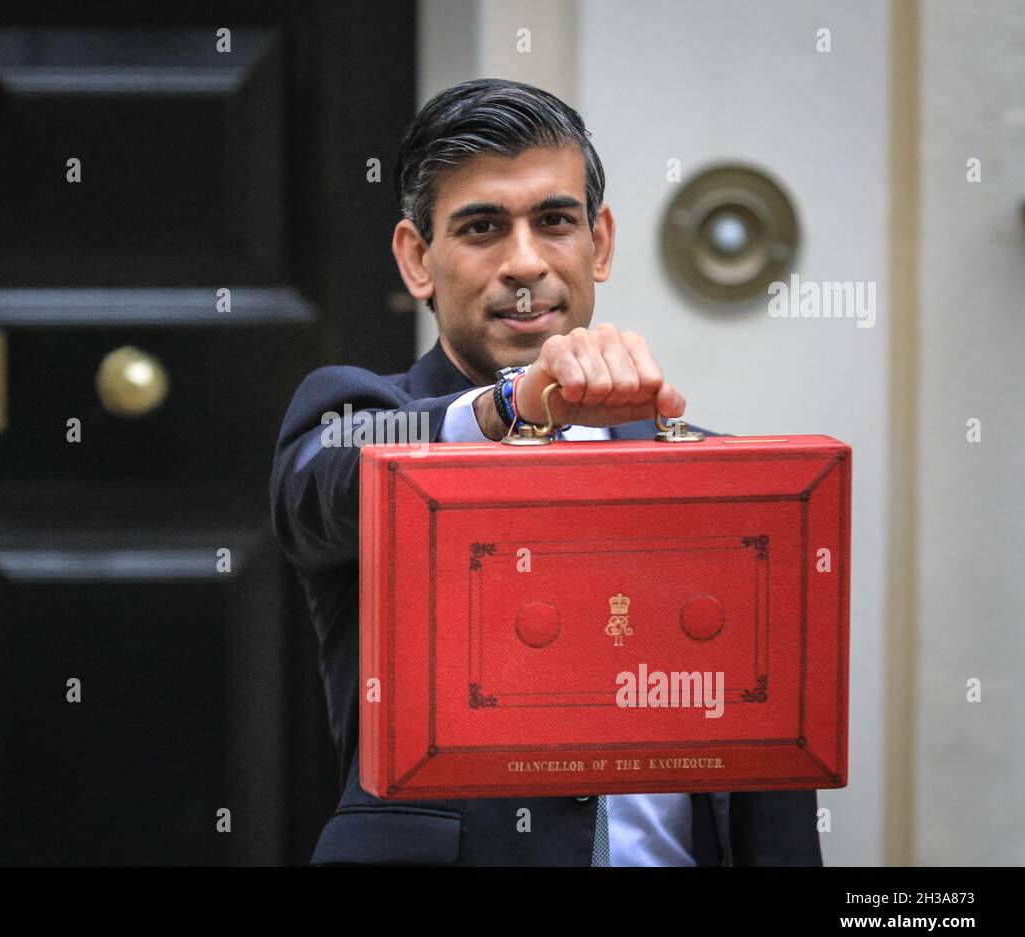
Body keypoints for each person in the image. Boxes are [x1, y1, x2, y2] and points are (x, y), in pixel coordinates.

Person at [269, 77, 822, 866]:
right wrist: (512, 408)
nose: (524, 262)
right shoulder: (361, 416)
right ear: (417, 259)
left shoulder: (717, 475)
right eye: (482, 228)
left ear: (598, 242)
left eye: (553, 221)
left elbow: (772, 776)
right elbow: (321, 487)